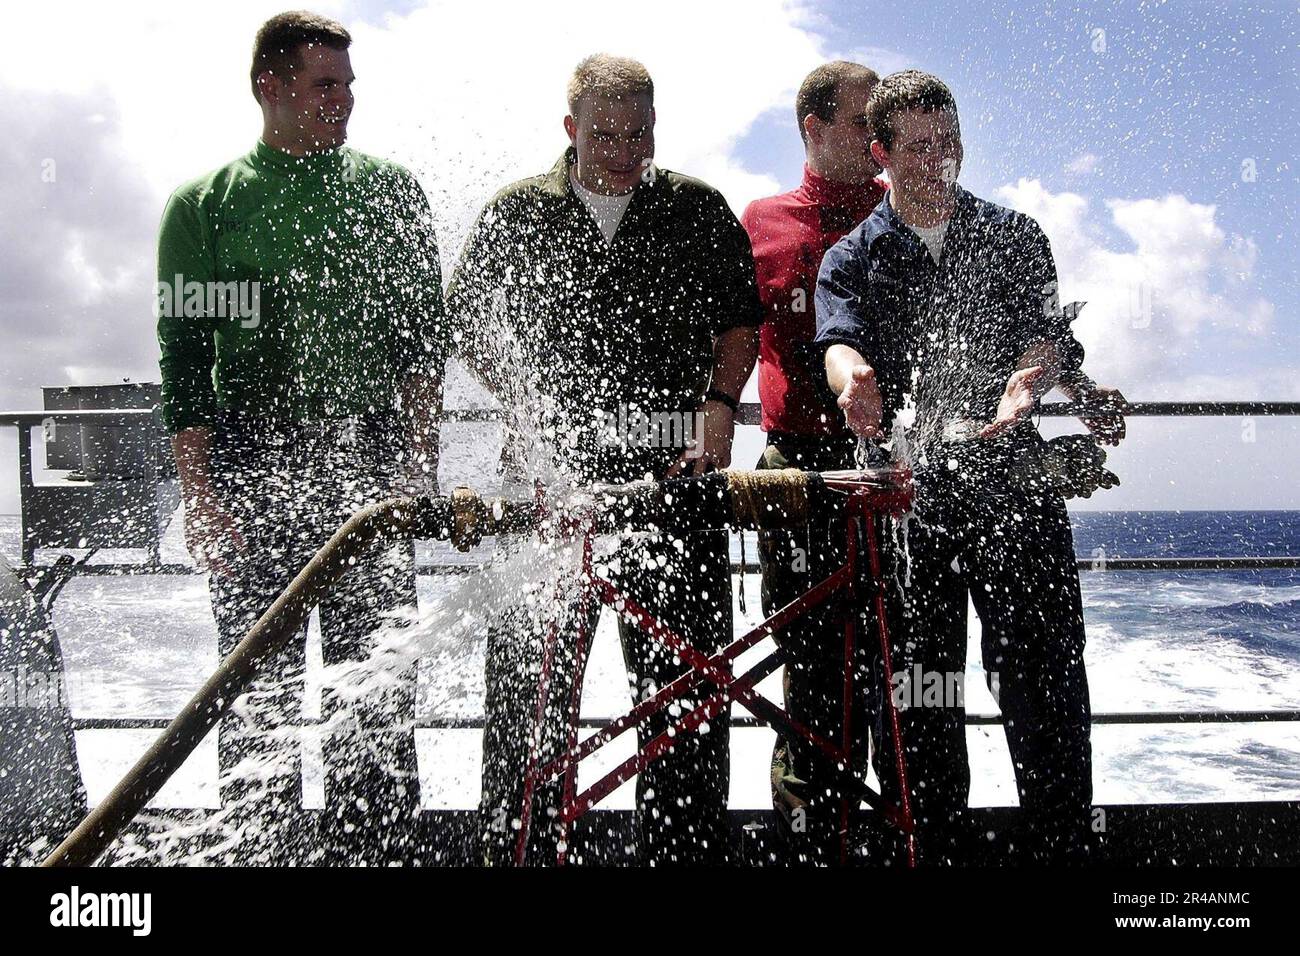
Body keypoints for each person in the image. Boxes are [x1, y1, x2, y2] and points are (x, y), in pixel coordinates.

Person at [446, 53, 762, 865]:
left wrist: (719, 411)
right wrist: (523, 395)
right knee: (526, 704)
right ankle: (520, 854)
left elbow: (739, 323)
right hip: (545, 483)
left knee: (687, 705)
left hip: (675, 484)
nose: (625, 153)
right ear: (570, 128)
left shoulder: (697, 208)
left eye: (641, 135)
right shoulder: (517, 213)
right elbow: (470, 326)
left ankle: (683, 859)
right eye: (606, 135)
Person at [156, 10, 446, 865]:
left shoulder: (390, 190)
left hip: (370, 462)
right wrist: (202, 498)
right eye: (325, 85)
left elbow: (420, 343)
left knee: (382, 695)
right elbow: (183, 362)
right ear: (269, 87)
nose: (343, 101)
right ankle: (259, 857)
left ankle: (383, 856)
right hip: (253, 468)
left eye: (350, 86)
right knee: (257, 699)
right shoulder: (205, 206)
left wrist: (416, 468)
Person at [816, 70, 1126, 863]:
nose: (940, 160)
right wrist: (853, 380)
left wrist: (1035, 372)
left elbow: (1045, 334)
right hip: (910, 500)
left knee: (1046, 684)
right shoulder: (850, 258)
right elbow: (837, 344)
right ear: (879, 153)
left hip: (1014, 492)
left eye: (950, 141)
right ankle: (933, 851)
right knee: (920, 697)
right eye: (918, 147)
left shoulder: (1015, 236)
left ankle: (1064, 847)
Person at [740, 60, 946, 864]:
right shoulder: (759, 222)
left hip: (900, 466)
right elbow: (718, 342)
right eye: (864, 124)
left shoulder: (909, 218)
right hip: (800, 472)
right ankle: (808, 852)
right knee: (812, 676)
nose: (878, 140)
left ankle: (916, 845)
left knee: (915, 672)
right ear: (813, 130)